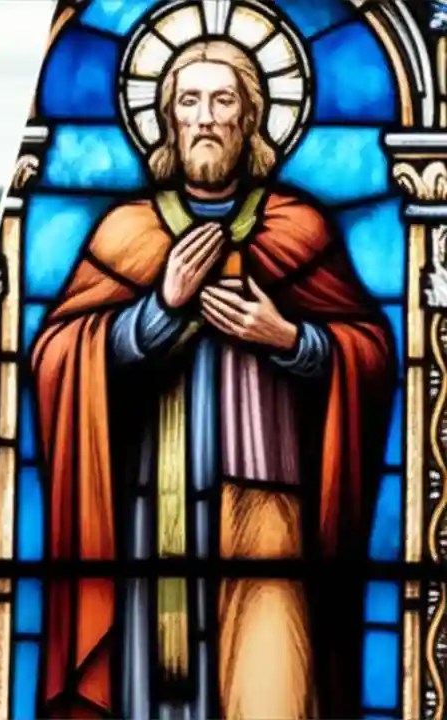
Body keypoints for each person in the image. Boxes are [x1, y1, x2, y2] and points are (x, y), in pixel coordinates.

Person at [29, 40, 396, 719]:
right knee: (160, 697)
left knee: (275, 690)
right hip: (151, 511)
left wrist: (289, 338)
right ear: (166, 118)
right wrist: (158, 310)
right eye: (188, 101)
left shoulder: (303, 230)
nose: (204, 117)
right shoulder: (125, 232)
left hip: (270, 512)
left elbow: (369, 351)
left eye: (222, 100)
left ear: (251, 118)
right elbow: (58, 357)